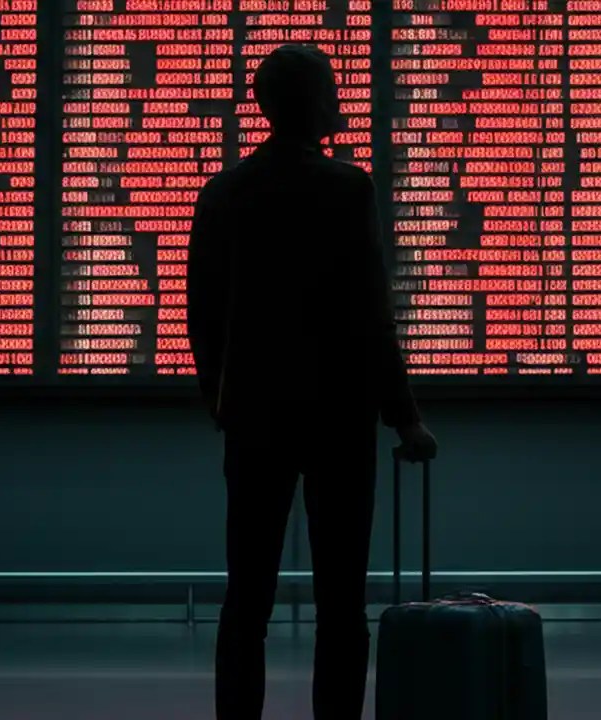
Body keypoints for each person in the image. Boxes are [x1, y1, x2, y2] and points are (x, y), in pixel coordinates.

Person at [186, 44, 438, 720]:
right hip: (338, 419)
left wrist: (221, 400)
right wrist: (405, 417)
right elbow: (370, 315)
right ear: (315, 101)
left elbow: (201, 314)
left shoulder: (224, 192)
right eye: (330, 86)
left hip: (254, 418)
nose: (338, 97)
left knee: (247, 600)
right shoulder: (347, 188)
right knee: (341, 604)